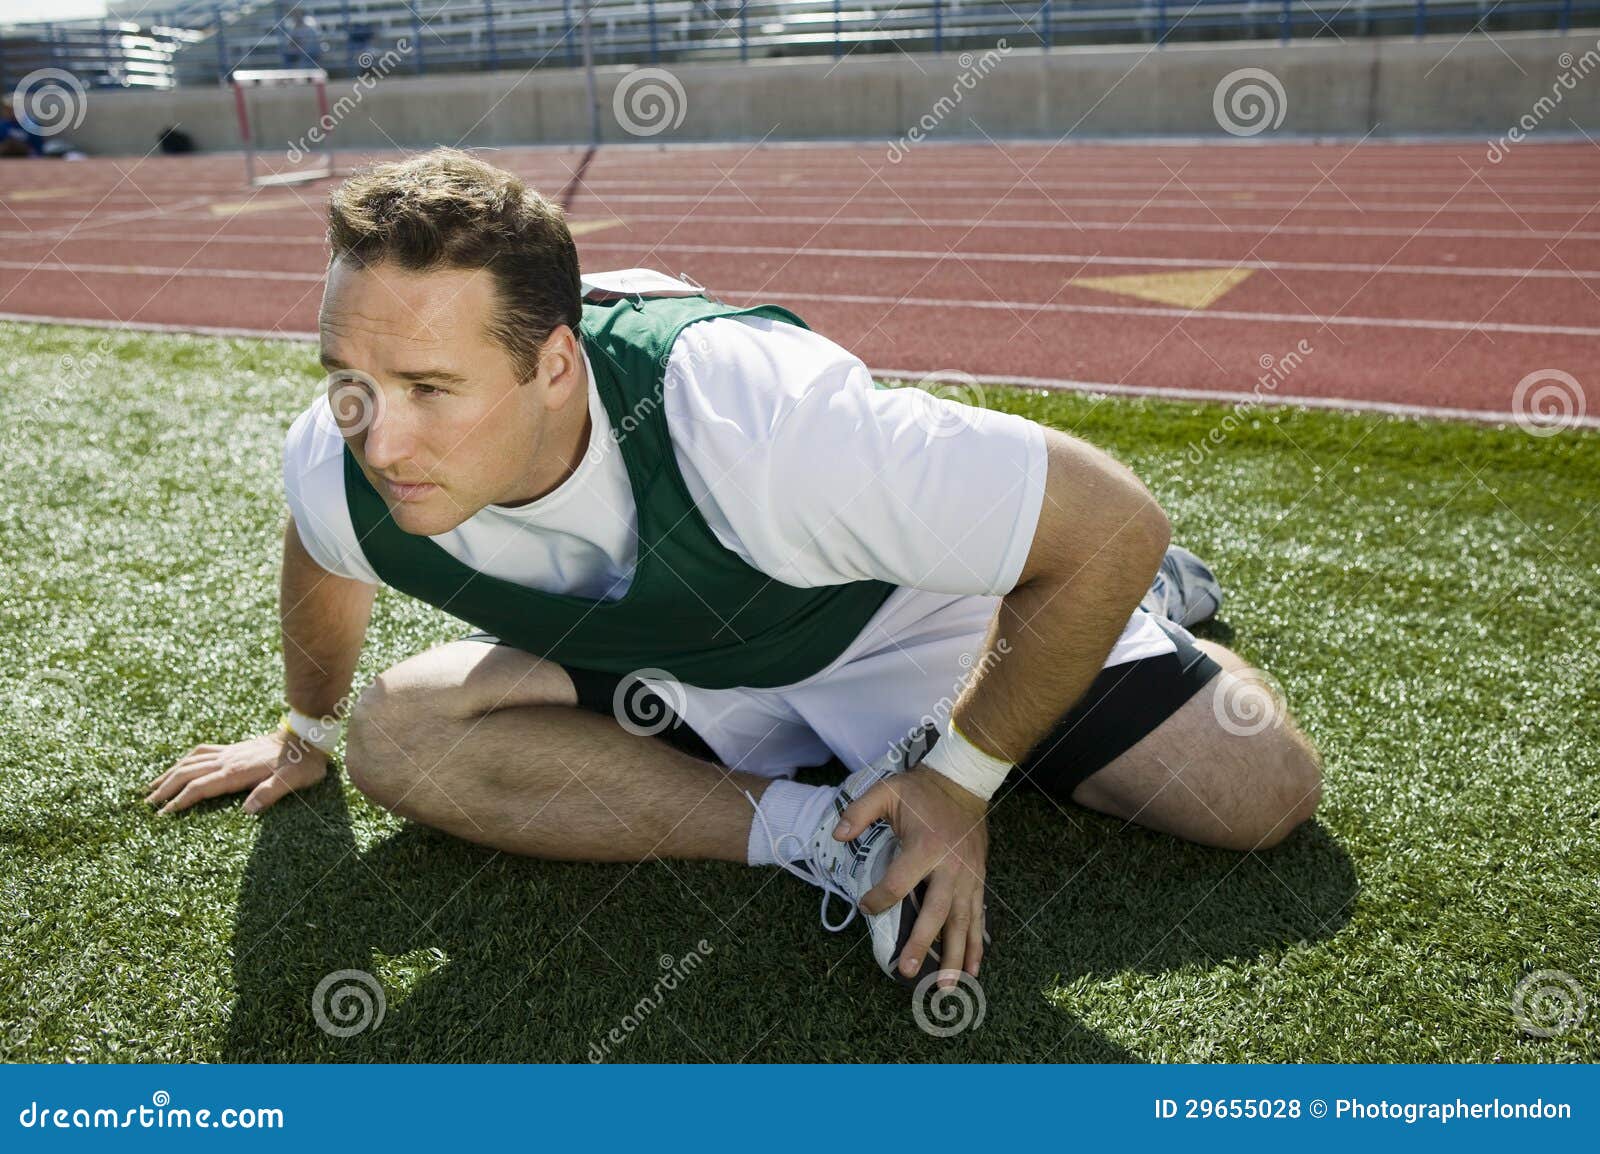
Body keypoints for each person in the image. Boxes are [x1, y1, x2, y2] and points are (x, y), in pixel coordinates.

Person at [146, 149, 1321, 989]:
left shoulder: (755, 418)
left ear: (556, 364)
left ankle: (1154, 615)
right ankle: (817, 825)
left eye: (429, 389)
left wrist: (959, 781)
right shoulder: (341, 443)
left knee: (1258, 788)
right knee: (397, 737)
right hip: (678, 666)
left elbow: (1112, 521)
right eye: (348, 375)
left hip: (895, 619)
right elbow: (322, 542)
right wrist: (304, 727)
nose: (377, 434)